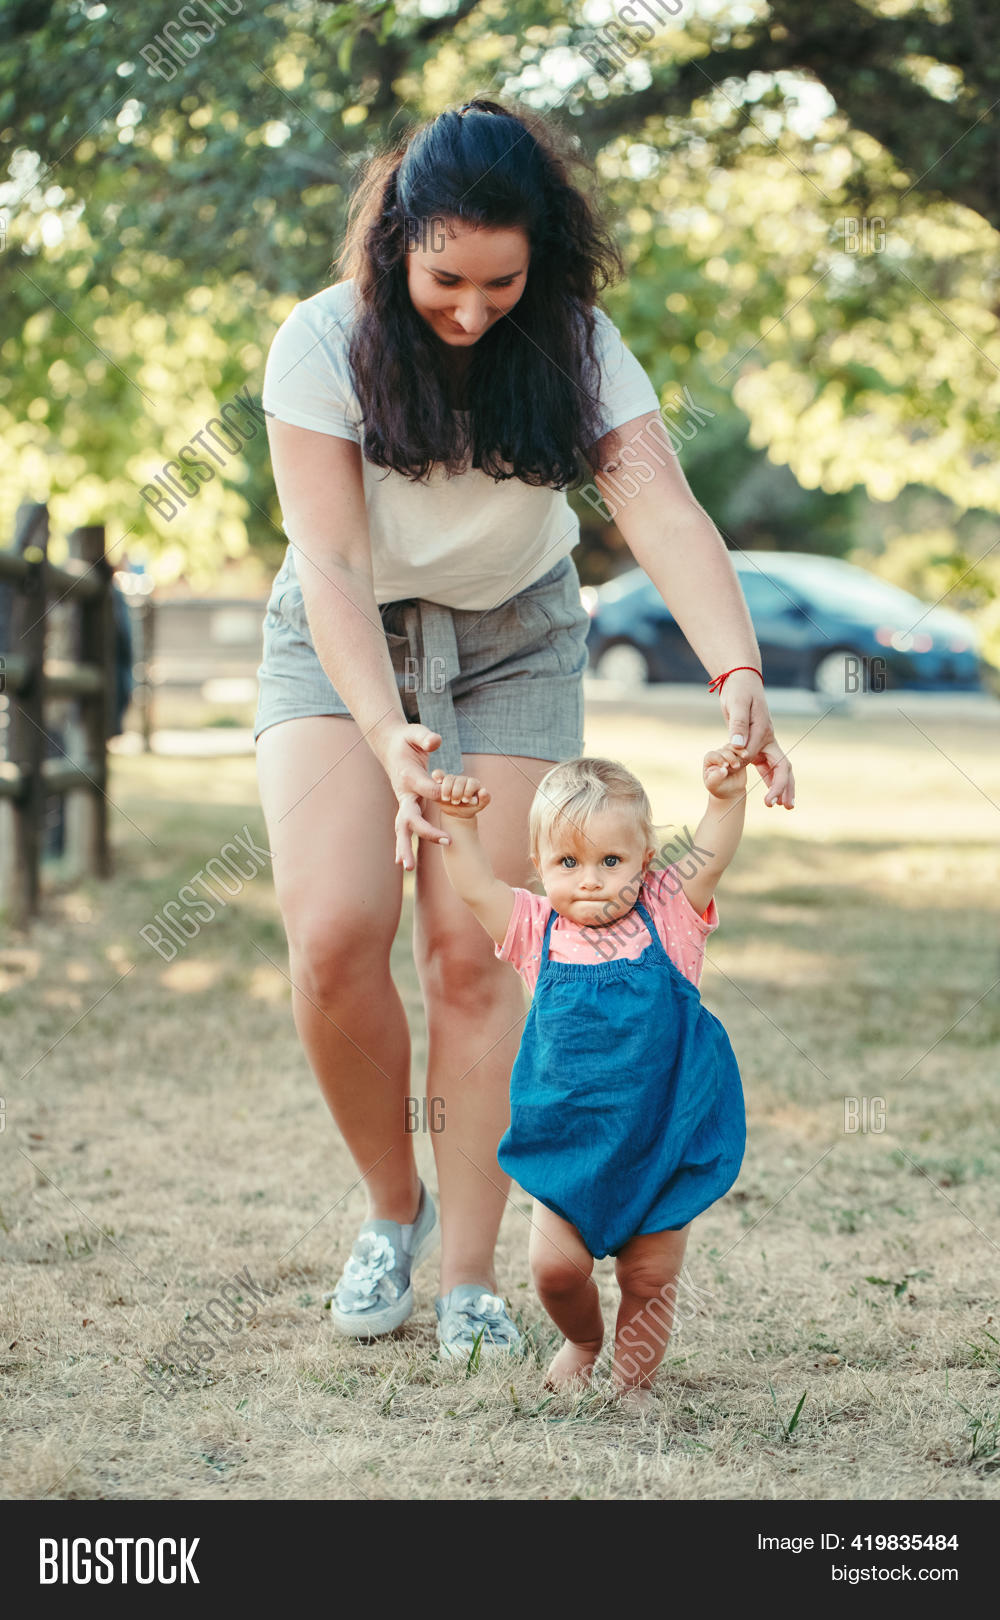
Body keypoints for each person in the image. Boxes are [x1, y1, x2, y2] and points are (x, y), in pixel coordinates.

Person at [253, 95, 795, 1362]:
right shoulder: (321, 342)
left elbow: (662, 514)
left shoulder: (580, 345)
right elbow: (329, 565)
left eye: (503, 281)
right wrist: (386, 736)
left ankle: (469, 1280)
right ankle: (394, 1209)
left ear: (539, 256)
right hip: (342, 646)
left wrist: (737, 671)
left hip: (514, 641)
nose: (473, 309)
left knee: (477, 950)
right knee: (336, 937)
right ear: (395, 244)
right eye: (447, 278)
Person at [432, 748, 747, 1408]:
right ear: (540, 867)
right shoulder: (534, 930)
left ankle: (635, 1382)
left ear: (645, 862)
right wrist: (459, 827)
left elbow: (712, 856)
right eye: (567, 863)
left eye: (612, 861)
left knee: (650, 1276)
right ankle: (582, 1341)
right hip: (570, 1146)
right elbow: (474, 888)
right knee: (553, 1270)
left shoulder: (670, 919)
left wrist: (723, 800)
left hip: (662, 1142)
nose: (592, 881)